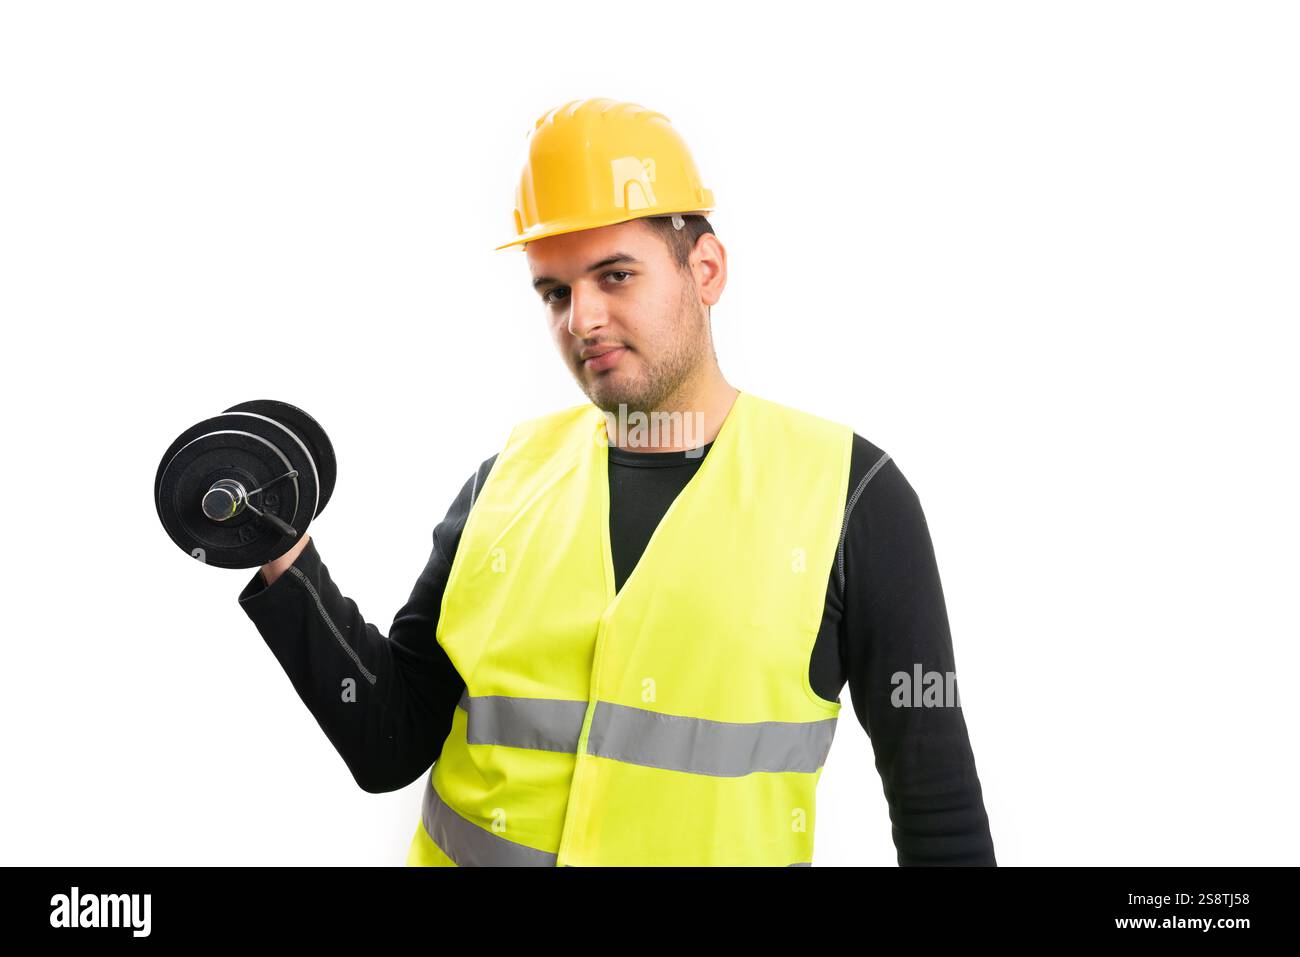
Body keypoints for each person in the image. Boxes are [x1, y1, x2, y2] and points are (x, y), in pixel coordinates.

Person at [240, 97, 995, 866]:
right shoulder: (500, 486)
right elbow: (389, 741)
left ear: (705, 270)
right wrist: (279, 550)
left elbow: (938, 813)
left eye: (615, 274)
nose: (581, 318)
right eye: (556, 292)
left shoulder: (850, 496)